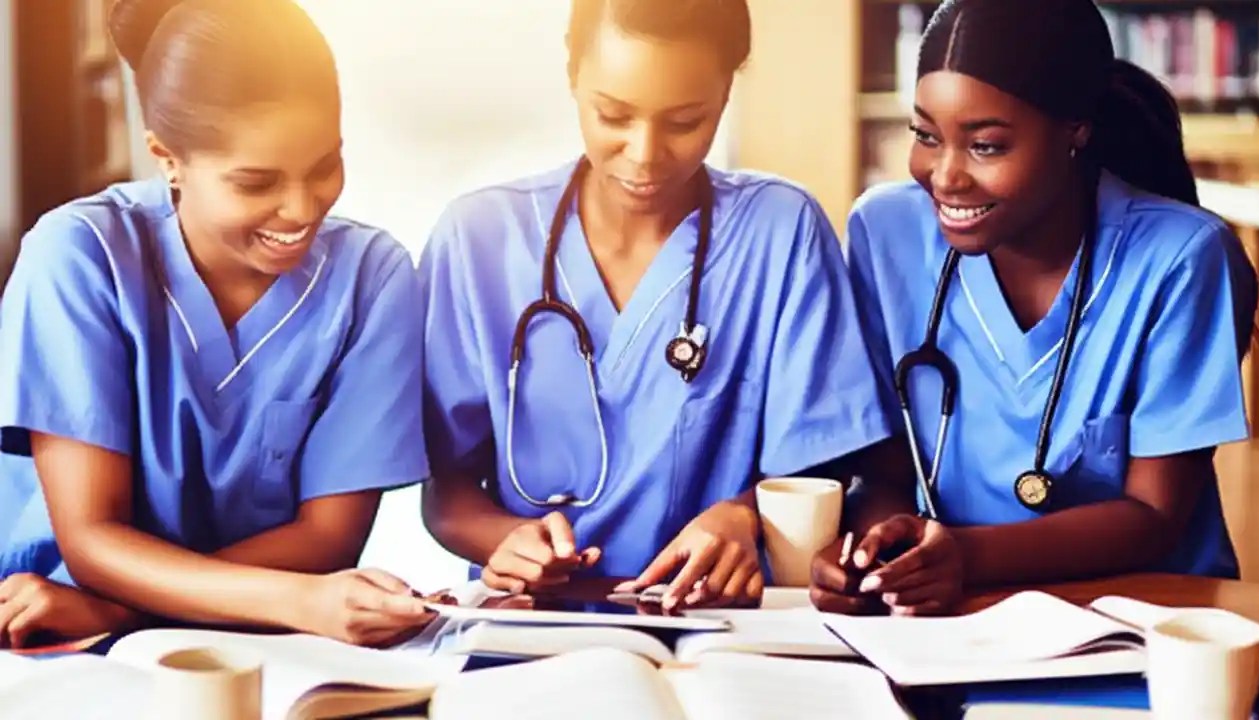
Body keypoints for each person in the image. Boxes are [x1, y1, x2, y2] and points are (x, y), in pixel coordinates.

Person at [419, 0, 893, 610]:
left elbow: (831, 475)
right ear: (572, 76)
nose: (644, 153)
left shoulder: (781, 231)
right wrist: (504, 541)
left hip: (724, 628)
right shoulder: (478, 237)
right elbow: (446, 493)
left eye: (684, 120)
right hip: (533, 631)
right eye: (613, 114)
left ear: (725, 93)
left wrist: (742, 515)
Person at [0, 0, 432, 648]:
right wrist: (299, 600)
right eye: (256, 181)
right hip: (50, 627)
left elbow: (329, 537)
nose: (301, 209)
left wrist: (121, 613)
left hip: (235, 635)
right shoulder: (79, 256)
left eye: (323, 166)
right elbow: (90, 539)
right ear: (167, 158)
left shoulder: (373, 279)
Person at [811, 0, 1258, 616]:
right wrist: (883, 555)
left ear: (1075, 128)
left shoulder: (1182, 256)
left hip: (1138, 621)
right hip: (946, 618)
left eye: (986, 146)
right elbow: (886, 469)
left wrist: (966, 556)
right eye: (925, 135)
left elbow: (1154, 514)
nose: (945, 176)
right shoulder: (885, 232)